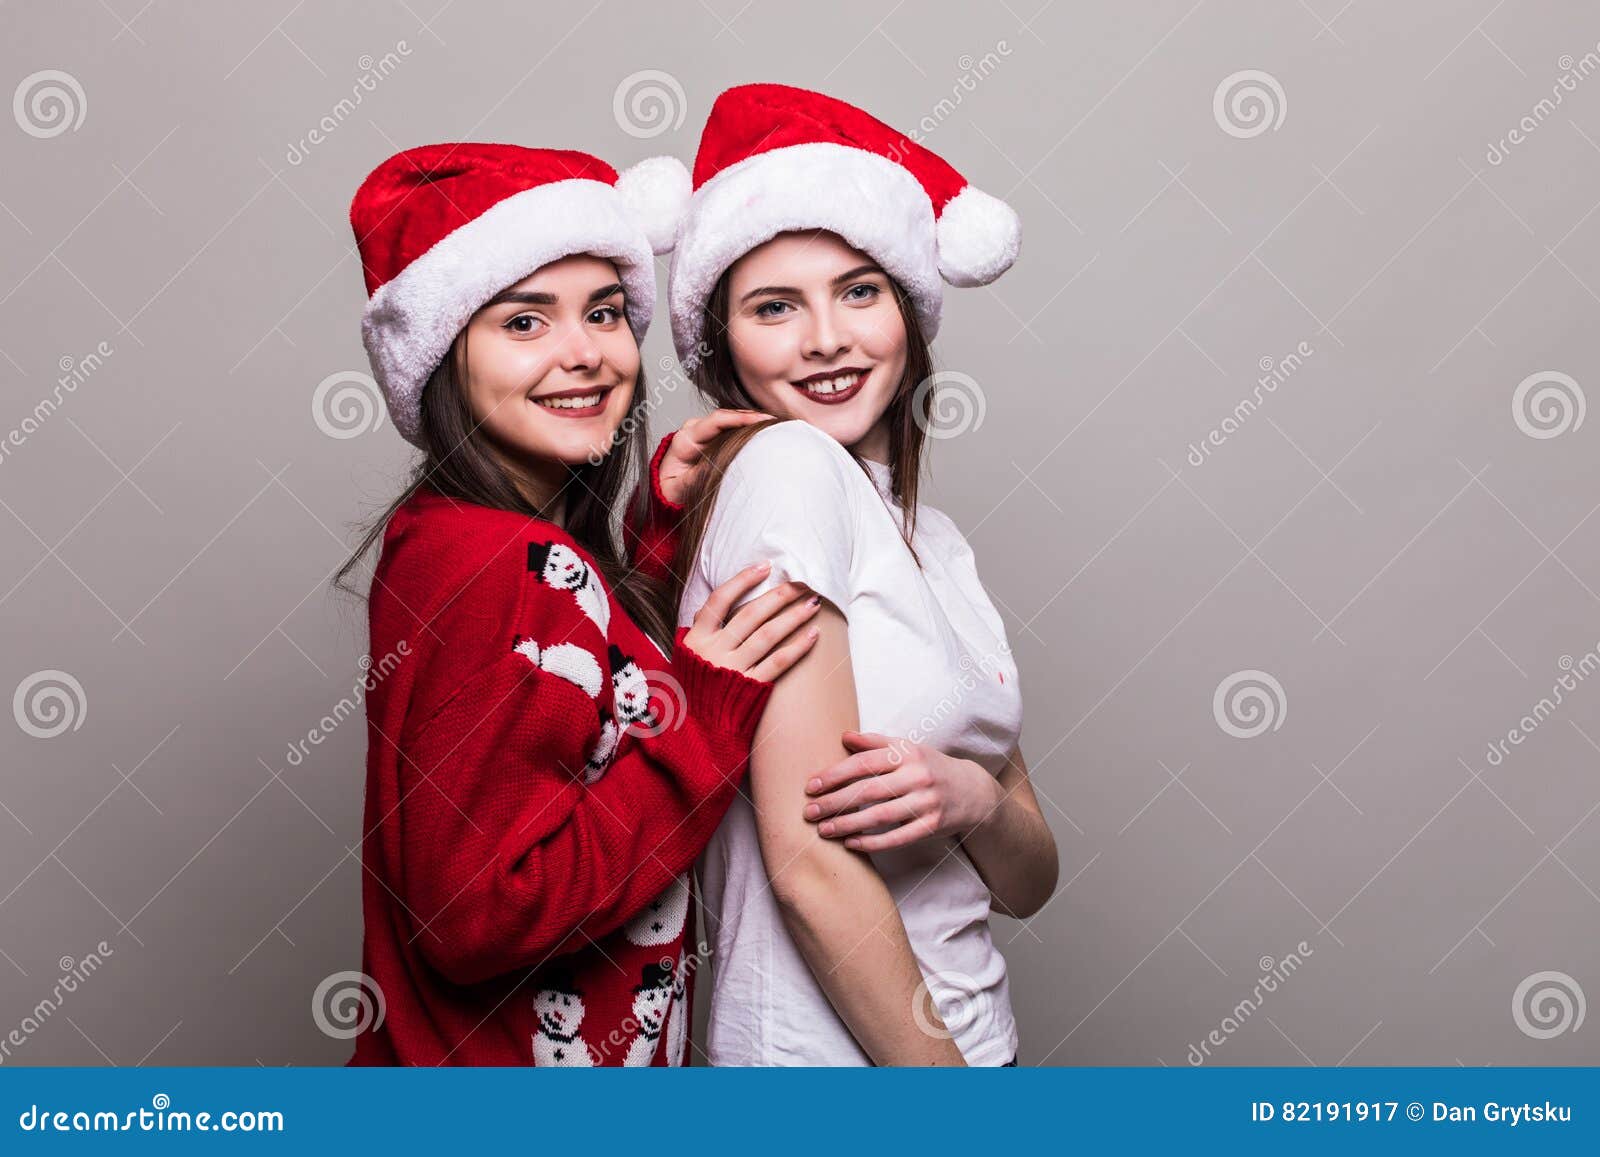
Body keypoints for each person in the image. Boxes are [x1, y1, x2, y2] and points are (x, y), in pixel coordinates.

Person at [337, 142, 819, 1065]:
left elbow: (554, 706)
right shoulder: (495, 562)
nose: (586, 352)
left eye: (603, 312)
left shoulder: (463, 542)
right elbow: (478, 914)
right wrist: (703, 729)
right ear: (443, 357)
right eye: (525, 322)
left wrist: (655, 537)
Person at [657, 84, 1060, 1067]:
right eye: (774, 306)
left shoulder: (937, 539)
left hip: (973, 1042)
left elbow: (1027, 875)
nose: (826, 337)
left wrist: (970, 797)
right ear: (723, 344)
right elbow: (808, 869)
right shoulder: (787, 473)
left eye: (859, 290)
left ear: (908, 312)